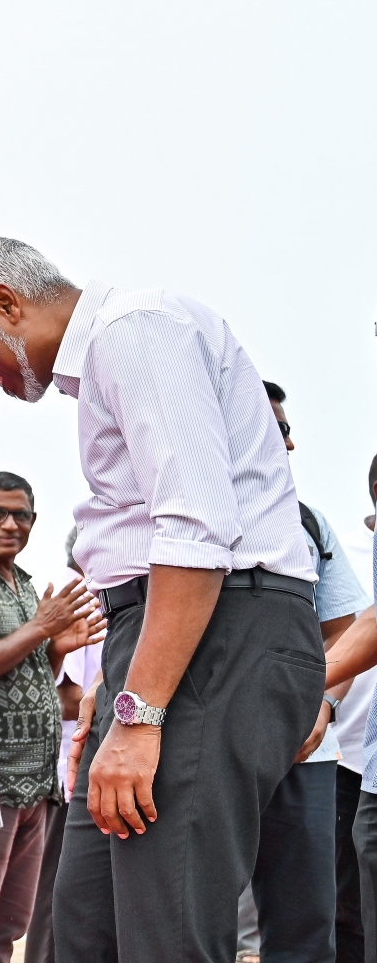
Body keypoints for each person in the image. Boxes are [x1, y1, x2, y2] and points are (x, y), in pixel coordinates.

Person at [0, 237, 324, 963]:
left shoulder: (137, 330)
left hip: (216, 631)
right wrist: (113, 697)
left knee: (165, 933)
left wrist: (141, 714)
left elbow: (195, 528)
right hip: (164, 639)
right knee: (88, 928)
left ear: (6, 303)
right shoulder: (107, 366)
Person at [233, 381, 368, 963]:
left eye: (285, 430)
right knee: (199, 922)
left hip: (304, 757)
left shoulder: (311, 525)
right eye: (271, 428)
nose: (285, 443)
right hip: (213, 754)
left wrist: (323, 703)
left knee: (309, 925)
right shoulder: (183, 522)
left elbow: (344, 628)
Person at [0, 472, 100, 963]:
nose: (11, 524)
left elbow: (38, 678)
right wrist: (41, 628)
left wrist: (55, 647)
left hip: (37, 780)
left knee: (9, 923)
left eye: (22, 515)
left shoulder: (26, 583)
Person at [23, 526, 102, 963]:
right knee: (59, 903)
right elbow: (64, 696)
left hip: (100, 773)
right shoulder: (78, 595)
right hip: (72, 780)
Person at [319, 455, 377, 963]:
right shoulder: (350, 554)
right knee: (348, 908)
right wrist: (317, 701)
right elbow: (360, 629)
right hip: (349, 760)